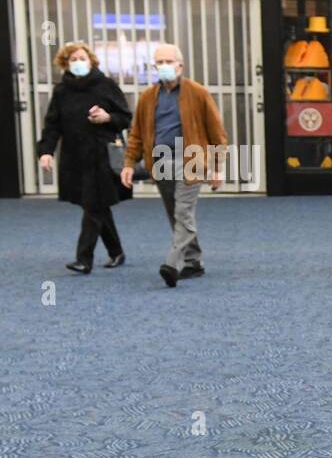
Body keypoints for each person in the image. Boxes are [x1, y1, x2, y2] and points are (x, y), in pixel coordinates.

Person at [121, 43, 227, 288]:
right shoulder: (148, 97)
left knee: (183, 212)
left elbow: (217, 134)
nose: (165, 66)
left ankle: (171, 263)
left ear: (180, 66)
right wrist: (129, 163)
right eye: (160, 62)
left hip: (191, 159)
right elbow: (137, 134)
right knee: (174, 212)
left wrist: (218, 167)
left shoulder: (198, 93)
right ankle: (194, 261)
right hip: (160, 160)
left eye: (169, 61)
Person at [36, 41, 133, 274]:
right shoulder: (61, 91)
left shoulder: (106, 85)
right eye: (73, 59)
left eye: (82, 58)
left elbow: (125, 118)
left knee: (93, 204)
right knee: (95, 205)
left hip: (100, 154)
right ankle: (116, 251)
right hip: (74, 157)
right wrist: (46, 151)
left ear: (91, 61)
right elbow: (53, 124)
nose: (78, 62)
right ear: (65, 64)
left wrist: (107, 117)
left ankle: (84, 259)